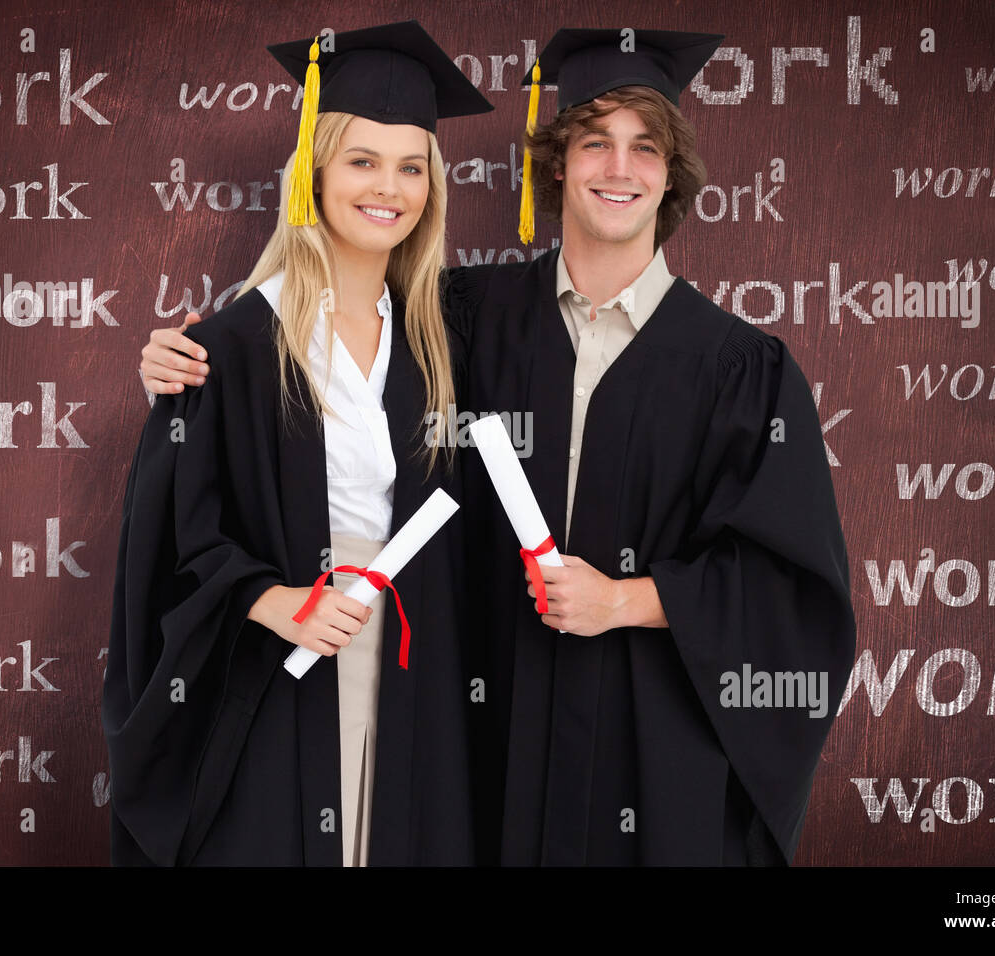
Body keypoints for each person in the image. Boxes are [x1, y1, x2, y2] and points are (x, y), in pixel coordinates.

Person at [141, 27, 857, 867]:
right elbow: (327, 319)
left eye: (645, 148)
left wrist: (624, 600)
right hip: (481, 739)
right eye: (594, 143)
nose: (618, 169)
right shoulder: (462, 321)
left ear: (672, 175)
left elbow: (792, 593)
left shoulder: (743, 368)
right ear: (555, 164)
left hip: (652, 751)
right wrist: (187, 359)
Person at [103, 20, 492, 867]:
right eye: (361, 160)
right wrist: (267, 599)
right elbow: (169, 536)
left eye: (410, 166)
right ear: (313, 172)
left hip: (415, 668)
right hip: (285, 671)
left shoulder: (441, 337)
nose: (388, 187)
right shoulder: (233, 344)